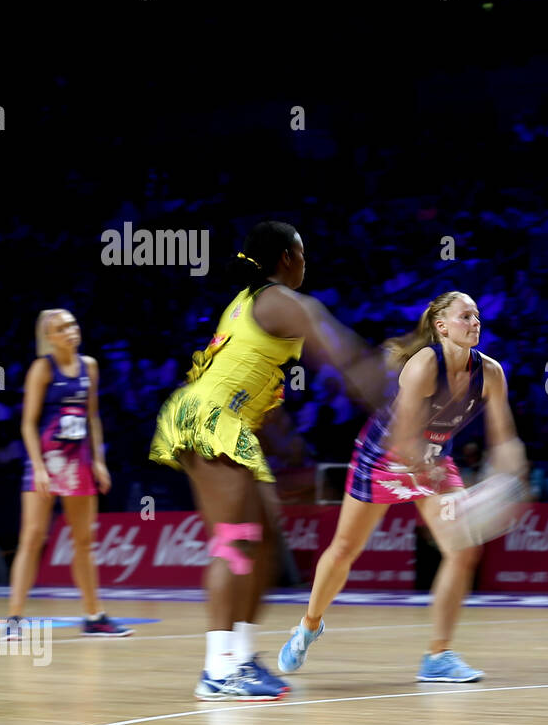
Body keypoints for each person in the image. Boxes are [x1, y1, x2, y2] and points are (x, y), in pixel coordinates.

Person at [150, 220, 387, 700]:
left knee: (262, 539)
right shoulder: (285, 302)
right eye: (302, 253)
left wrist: (285, 441)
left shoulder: (247, 304)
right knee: (235, 542)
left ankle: (239, 657)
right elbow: (349, 360)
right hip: (209, 418)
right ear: (286, 257)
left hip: (227, 420)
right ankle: (218, 671)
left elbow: (249, 379)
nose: (306, 262)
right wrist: (400, 407)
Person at [278, 291, 526, 684]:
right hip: (382, 458)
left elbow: (505, 438)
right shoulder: (424, 365)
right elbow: (402, 439)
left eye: (477, 316)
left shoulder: (491, 373)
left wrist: (512, 473)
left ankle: (438, 656)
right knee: (344, 550)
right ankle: (309, 626)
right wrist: (424, 471)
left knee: (463, 552)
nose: (475, 322)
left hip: (434, 459)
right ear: (442, 326)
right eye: (465, 316)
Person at [6, 309, 130, 639]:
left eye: (73, 323)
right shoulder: (42, 369)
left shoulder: (90, 366)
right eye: (62, 328)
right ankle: (15, 619)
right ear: (50, 338)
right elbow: (28, 424)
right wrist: (39, 468)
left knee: (84, 542)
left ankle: (94, 616)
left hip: (79, 462)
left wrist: (99, 461)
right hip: (45, 463)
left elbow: (92, 418)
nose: (71, 330)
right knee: (32, 539)